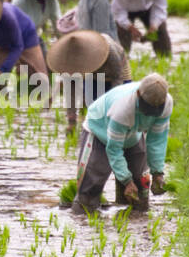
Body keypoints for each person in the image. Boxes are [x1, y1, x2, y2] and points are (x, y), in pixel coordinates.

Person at [71, 72, 172, 216]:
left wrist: (157, 173)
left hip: (132, 134)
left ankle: (134, 229)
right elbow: (114, 149)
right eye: (147, 109)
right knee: (89, 191)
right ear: (138, 95)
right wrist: (126, 180)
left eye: (154, 111)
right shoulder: (123, 108)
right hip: (100, 131)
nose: (150, 115)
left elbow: (157, 140)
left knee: (140, 192)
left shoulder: (167, 103)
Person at [47, 28, 131, 135]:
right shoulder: (70, 62)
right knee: (93, 109)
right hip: (94, 77)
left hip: (118, 74)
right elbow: (70, 92)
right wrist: (71, 122)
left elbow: (117, 79)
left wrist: (112, 109)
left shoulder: (109, 49)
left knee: (120, 112)